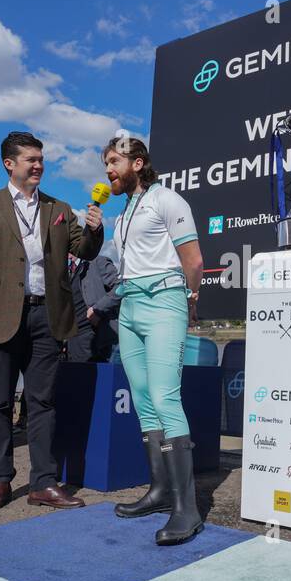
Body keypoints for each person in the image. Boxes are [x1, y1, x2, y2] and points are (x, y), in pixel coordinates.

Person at [0, 131, 104, 512]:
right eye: (31, 160)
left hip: (47, 315)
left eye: (41, 159)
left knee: (42, 402)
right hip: (0, 315)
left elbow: (84, 250)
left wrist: (93, 228)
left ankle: (43, 483)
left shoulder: (58, 207)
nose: (39, 165)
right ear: (10, 164)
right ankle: (1, 481)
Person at [104, 136, 204, 545]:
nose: (108, 169)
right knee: (144, 399)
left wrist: (190, 300)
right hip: (129, 307)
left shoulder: (168, 200)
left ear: (138, 163)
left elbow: (193, 260)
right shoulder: (121, 214)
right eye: (105, 163)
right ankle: (161, 491)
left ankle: (188, 509)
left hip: (164, 301)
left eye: (114, 161)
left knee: (165, 398)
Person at [65, 252, 121, 363]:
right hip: (72, 345)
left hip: (96, 342)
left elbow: (121, 287)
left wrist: (97, 309)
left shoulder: (97, 262)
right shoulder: (65, 272)